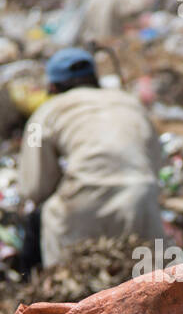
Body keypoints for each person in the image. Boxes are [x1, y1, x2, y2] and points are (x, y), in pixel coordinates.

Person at [17, 48, 163, 270]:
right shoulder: (131, 104)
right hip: (140, 199)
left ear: (53, 87)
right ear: (96, 79)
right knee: (149, 286)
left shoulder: (43, 115)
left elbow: (35, 187)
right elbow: (155, 163)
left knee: (71, 286)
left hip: (82, 205)